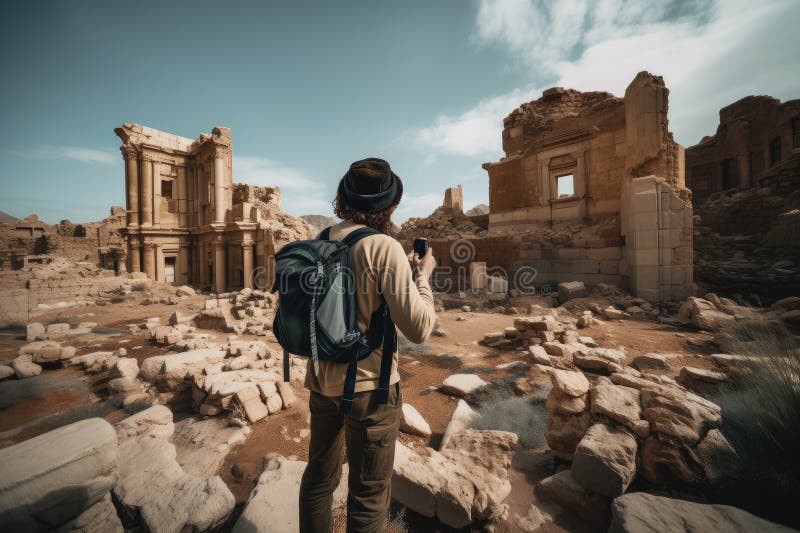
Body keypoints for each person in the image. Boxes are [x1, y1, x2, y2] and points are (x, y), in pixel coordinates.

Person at [299, 158, 437, 532]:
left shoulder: (319, 241)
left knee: (317, 482)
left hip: (321, 382)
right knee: (369, 495)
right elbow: (420, 327)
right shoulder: (385, 247)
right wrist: (422, 278)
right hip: (369, 390)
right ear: (390, 205)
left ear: (342, 198)